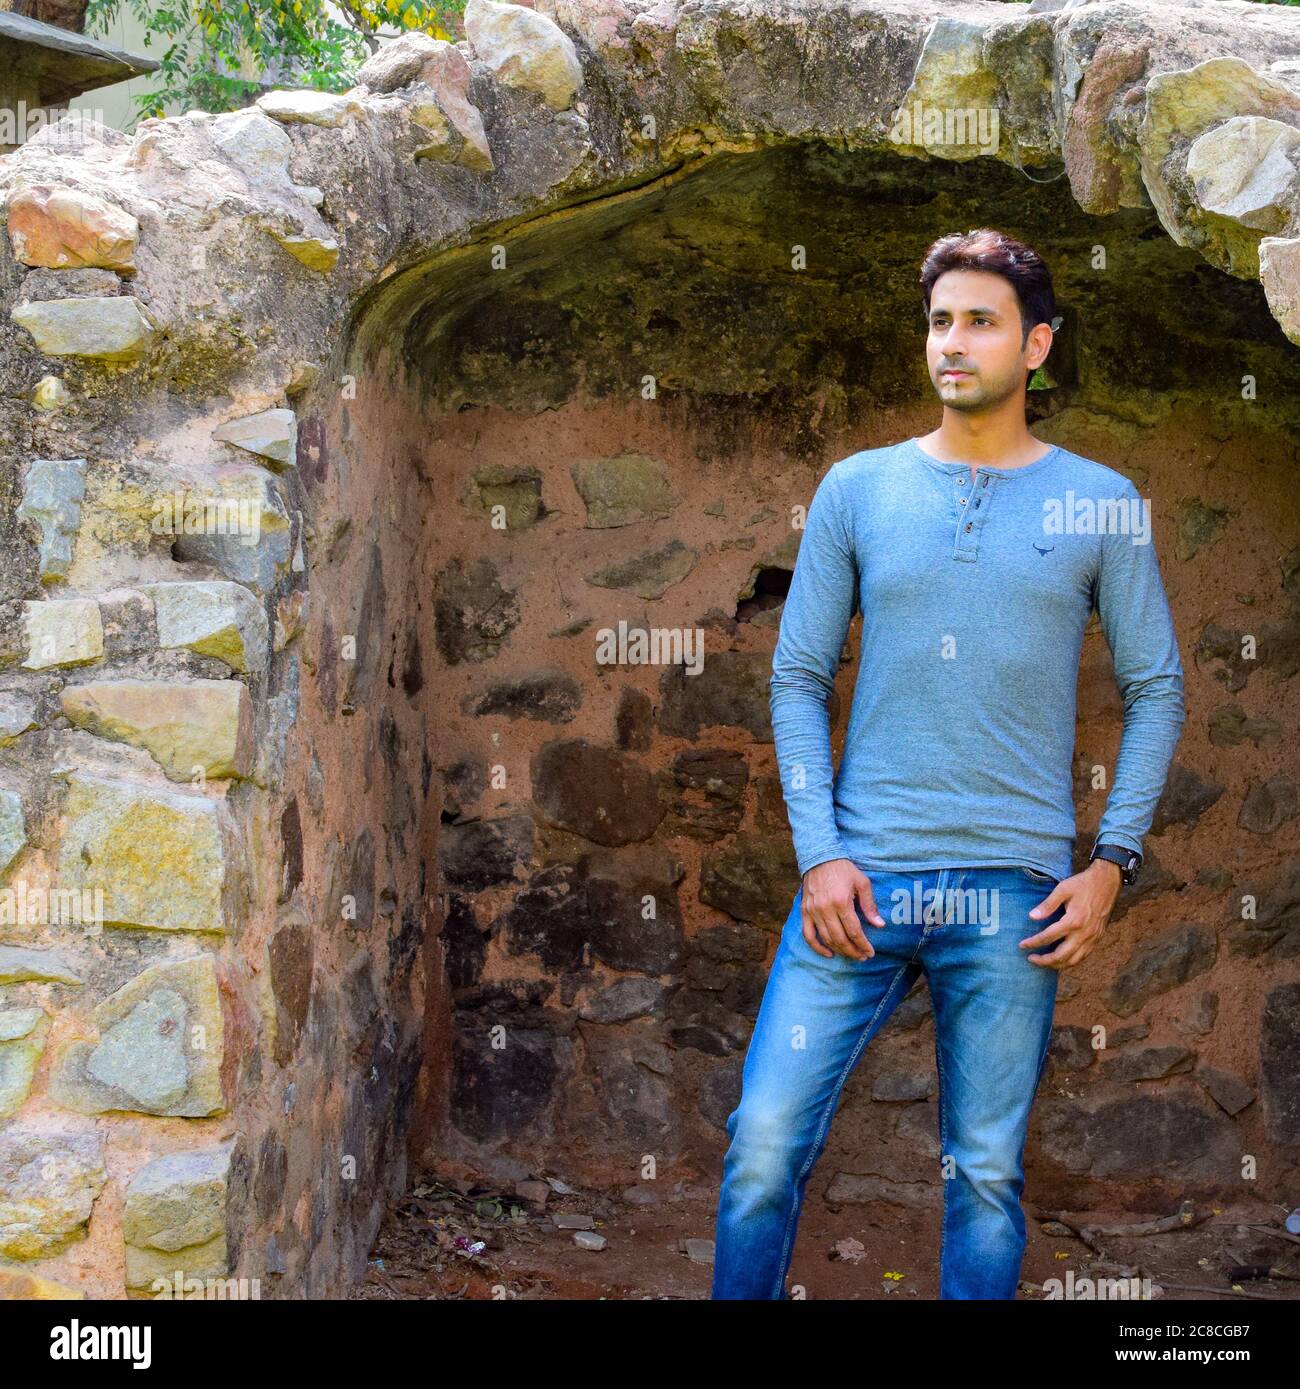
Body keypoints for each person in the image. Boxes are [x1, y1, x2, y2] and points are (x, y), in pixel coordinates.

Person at [710, 228, 1185, 1300]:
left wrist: (1111, 862)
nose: (952, 344)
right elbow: (797, 680)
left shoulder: (1100, 503)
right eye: (939, 321)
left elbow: (1157, 688)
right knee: (762, 1148)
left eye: (980, 322)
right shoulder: (857, 489)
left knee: (983, 1176)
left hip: (1011, 895)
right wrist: (818, 855)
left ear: (1037, 347)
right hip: (857, 883)